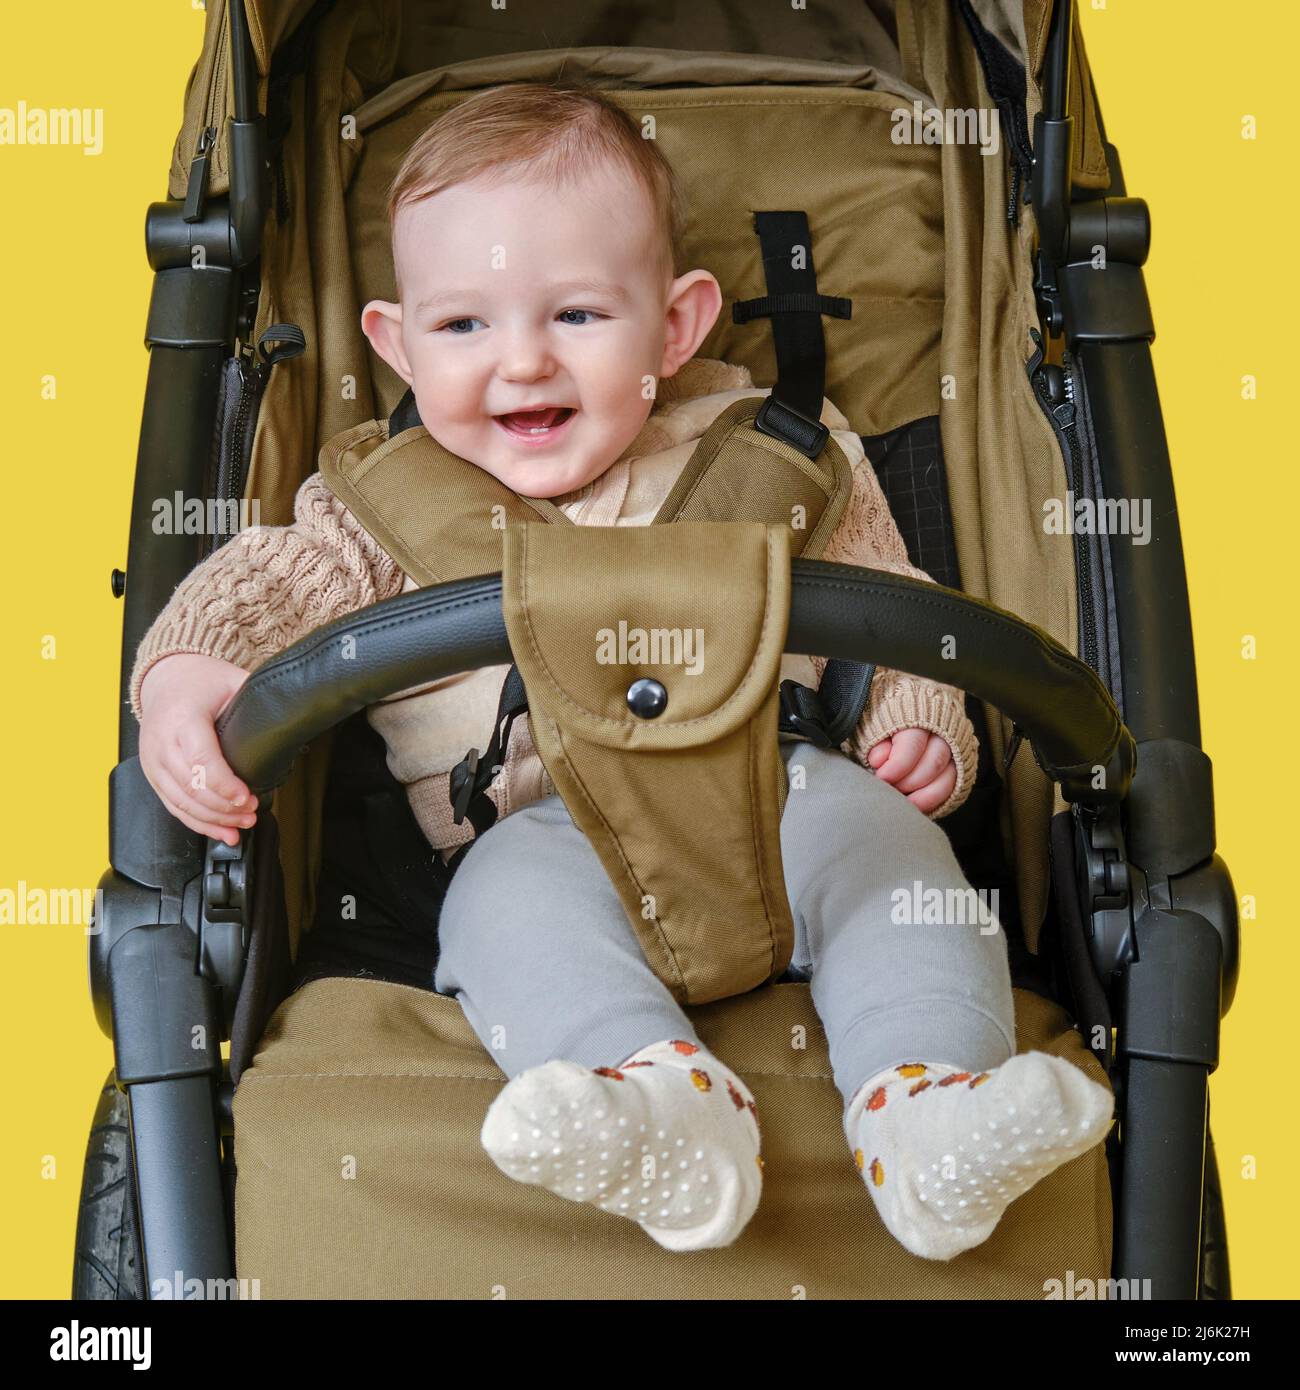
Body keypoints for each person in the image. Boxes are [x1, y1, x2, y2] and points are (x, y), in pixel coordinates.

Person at [129, 82, 1112, 1260]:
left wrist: (921, 723)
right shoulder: (372, 507)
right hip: (538, 836)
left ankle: (930, 1112)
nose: (521, 362)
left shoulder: (772, 450)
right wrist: (185, 676)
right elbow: (258, 590)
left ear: (678, 324)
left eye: (580, 315)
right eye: (462, 328)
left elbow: (887, 603)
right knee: (503, 910)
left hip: (778, 800)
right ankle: (659, 1109)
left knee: (897, 870)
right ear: (393, 340)